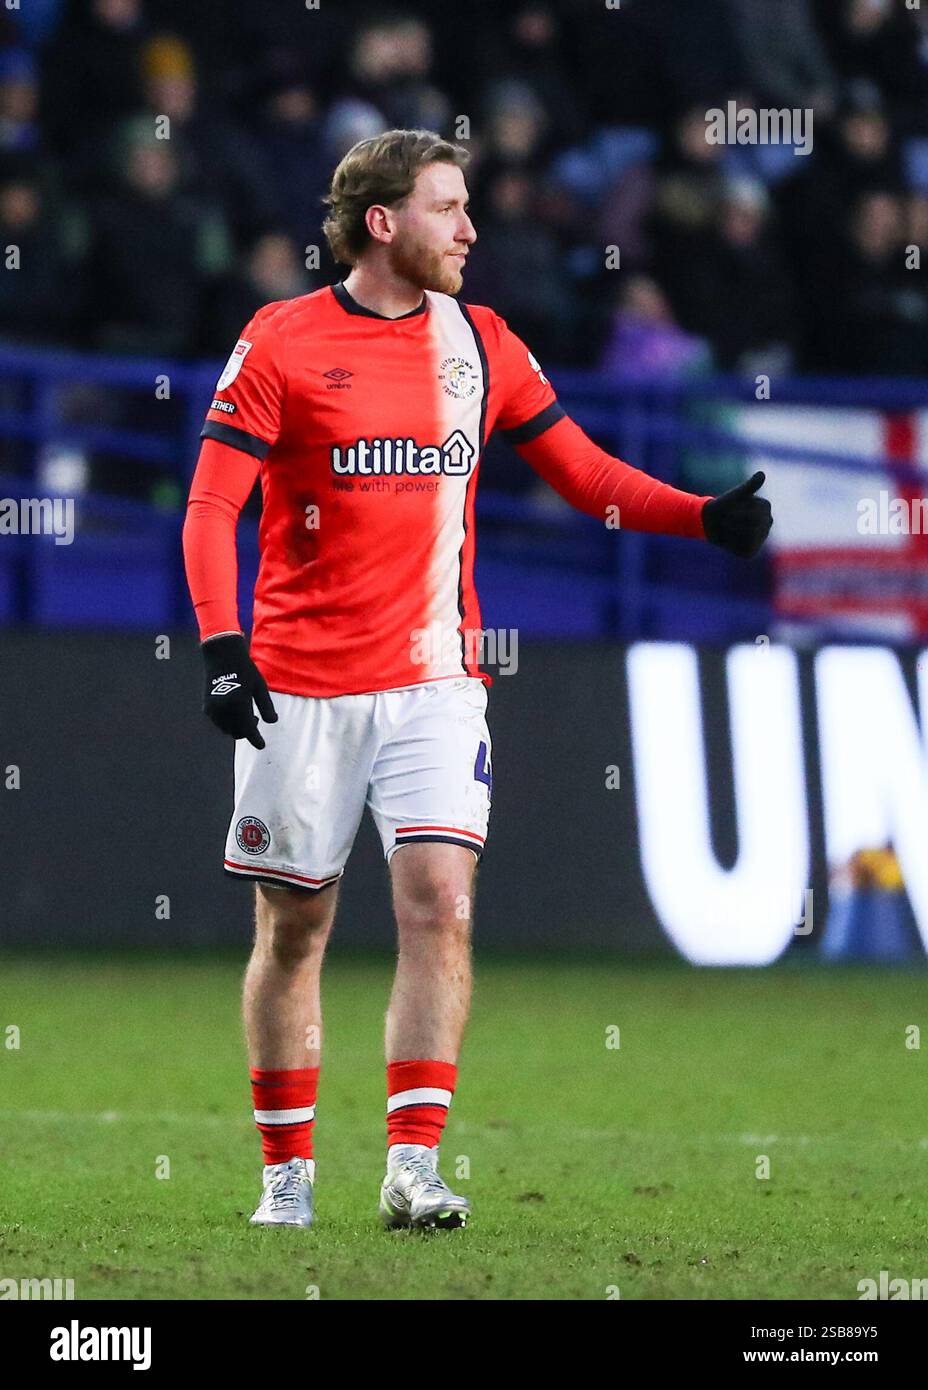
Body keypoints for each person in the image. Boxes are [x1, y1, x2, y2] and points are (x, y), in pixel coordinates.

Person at [181, 127, 772, 1232]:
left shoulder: (484, 341)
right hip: (300, 687)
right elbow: (213, 505)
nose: (469, 229)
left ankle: (412, 1165)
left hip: (435, 680)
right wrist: (222, 647)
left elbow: (583, 471)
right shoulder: (282, 342)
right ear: (381, 221)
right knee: (296, 929)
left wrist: (699, 518)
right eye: (448, 208)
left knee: (440, 904)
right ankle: (286, 1173)